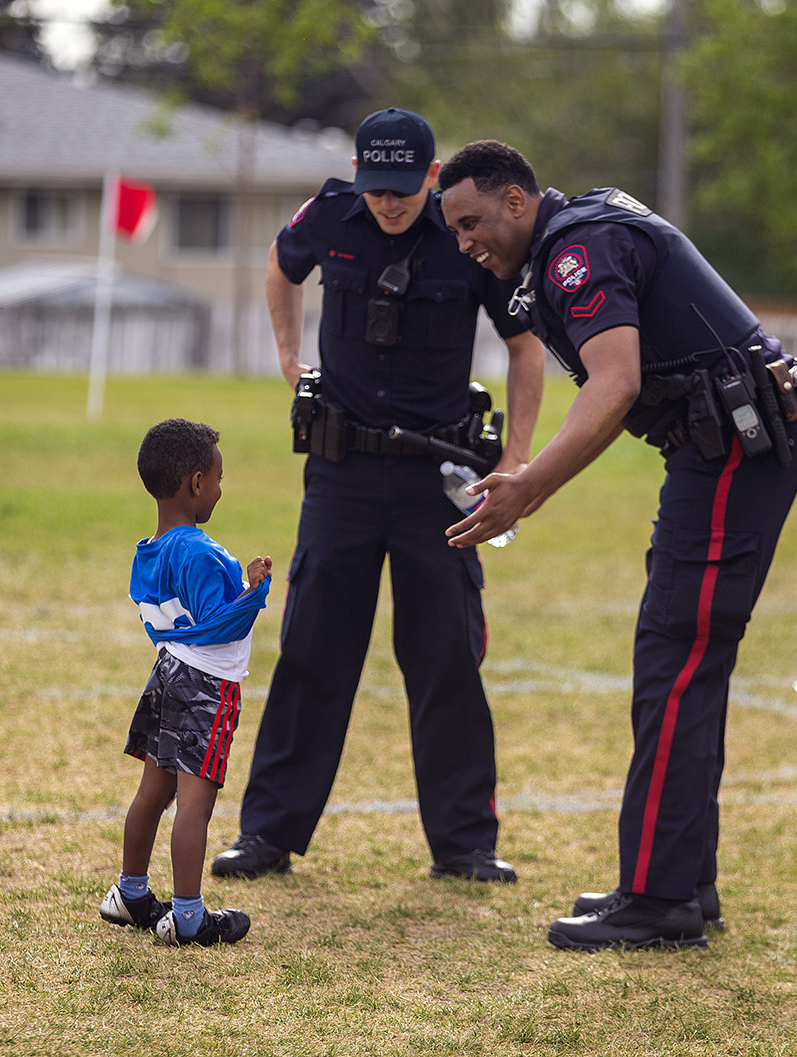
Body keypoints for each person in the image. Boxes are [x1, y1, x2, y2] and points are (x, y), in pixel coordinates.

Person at [437, 140, 797, 950]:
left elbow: (617, 382)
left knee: (675, 659)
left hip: (734, 448)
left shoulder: (575, 251)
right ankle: (682, 880)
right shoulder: (572, 237)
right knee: (679, 661)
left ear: (514, 200)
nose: (466, 242)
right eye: (455, 230)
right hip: (718, 445)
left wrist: (528, 485)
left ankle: (661, 897)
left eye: (472, 222)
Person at [211, 109, 545, 885]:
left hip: (439, 479)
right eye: (375, 189)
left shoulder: (464, 236)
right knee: (312, 653)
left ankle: (465, 844)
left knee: (446, 658)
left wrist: (520, 460)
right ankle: (268, 834)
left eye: (401, 191)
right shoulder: (329, 216)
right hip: (342, 474)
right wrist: (289, 358)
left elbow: (525, 346)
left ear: (430, 179)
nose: (386, 205)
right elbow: (280, 265)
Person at [100, 417, 273, 947]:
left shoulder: (147, 551)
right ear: (196, 483)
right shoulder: (198, 551)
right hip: (205, 689)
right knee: (195, 804)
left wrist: (236, 589)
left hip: (167, 676)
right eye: (218, 479)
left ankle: (130, 895)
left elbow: (183, 618)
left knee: (153, 792)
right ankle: (190, 917)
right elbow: (222, 624)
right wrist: (255, 590)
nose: (221, 490)